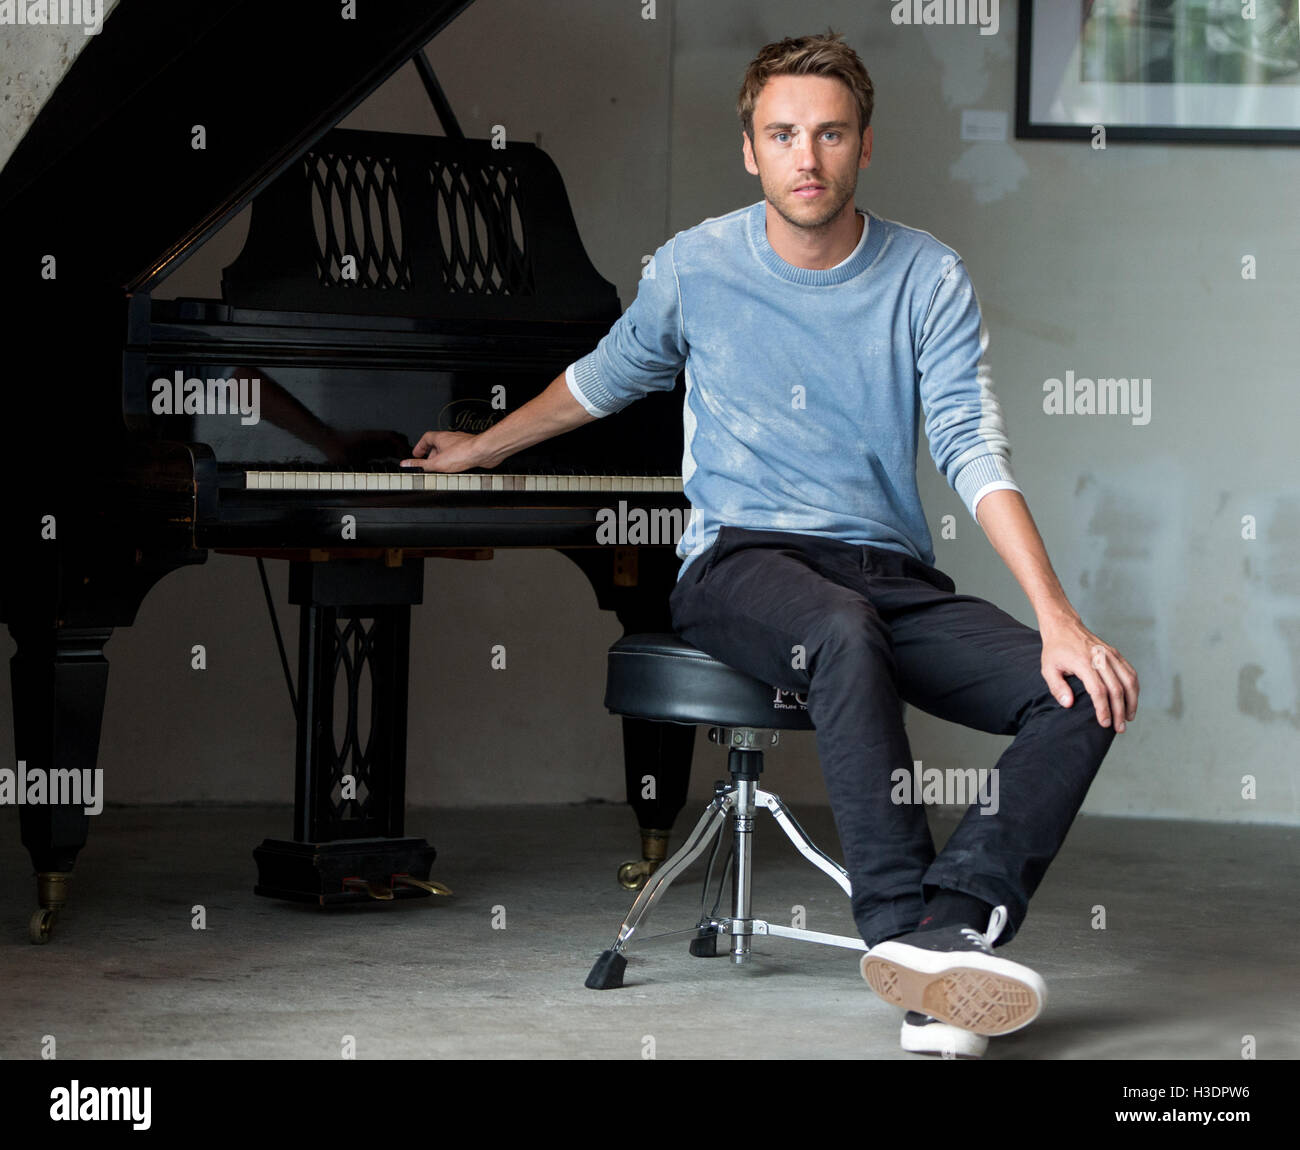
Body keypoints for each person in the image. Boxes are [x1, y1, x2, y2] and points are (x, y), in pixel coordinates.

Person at [403, 32, 1140, 1058]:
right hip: (740, 566)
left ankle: (953, 922)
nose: (808, 156)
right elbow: (600, 380)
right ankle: (899, 940)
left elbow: (973, 446)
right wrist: (480, 446)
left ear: (864, 147)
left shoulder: (925, 273)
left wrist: (1058, 619)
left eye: (830, 133)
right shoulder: (696, 266)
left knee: (1084, 688)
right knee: (839, 631)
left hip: (888, 574)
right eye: (783, 134)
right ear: (749, 150)